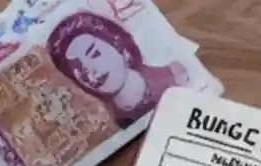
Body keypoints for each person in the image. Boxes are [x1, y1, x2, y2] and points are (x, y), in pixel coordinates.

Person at [47, 10, 189, 127]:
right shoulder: (110, 127)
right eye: (80, 70)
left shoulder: (176, 78)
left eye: (95, 54)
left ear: (118, 45)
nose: (92, 74)